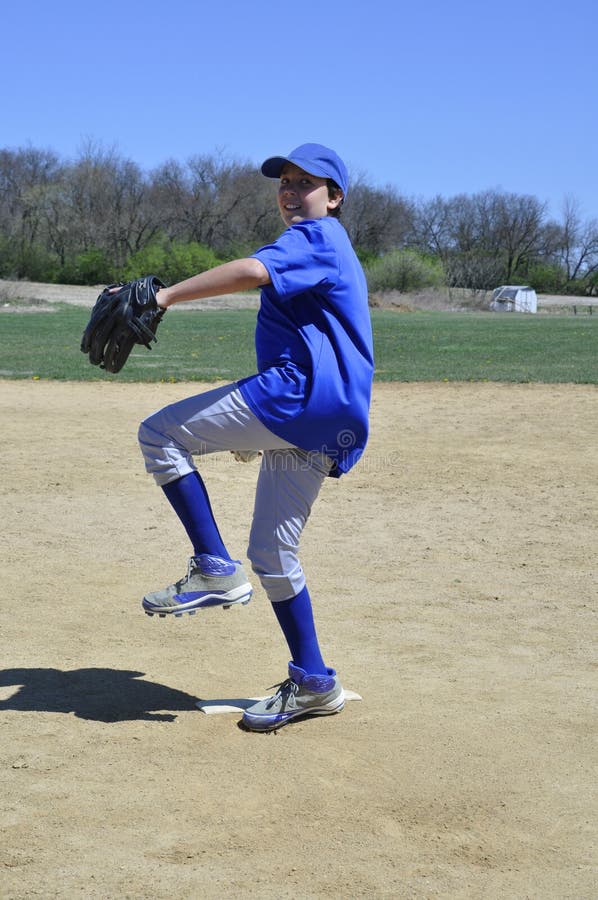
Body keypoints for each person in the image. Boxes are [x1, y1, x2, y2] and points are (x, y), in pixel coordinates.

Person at [138, 143, 374, 731]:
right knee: (273, 554)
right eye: (285, 182)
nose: (292, 192)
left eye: (307, 183)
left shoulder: (316, 237)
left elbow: (250, 271)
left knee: (160, 435)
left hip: (297, 397)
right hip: (331, 417)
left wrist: (162, 297)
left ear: (334, 197)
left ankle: (214, 568)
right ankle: (315, 681)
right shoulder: (330, 247)